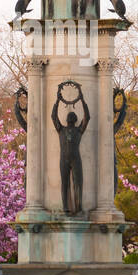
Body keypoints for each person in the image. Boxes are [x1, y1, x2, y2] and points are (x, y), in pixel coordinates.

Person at [52, 84, 90, 215]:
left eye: (72, 117)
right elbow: (53, 116)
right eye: (69, 117)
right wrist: (57, 100)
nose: (70, 118)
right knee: (65, 183)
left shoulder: (79, 130)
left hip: (75, 159)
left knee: (78, 183)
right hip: (64, 159)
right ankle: (65, 207)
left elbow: (87, 117)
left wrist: (82, 100)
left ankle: (78, 207)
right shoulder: (61, 129)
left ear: (74, 120)